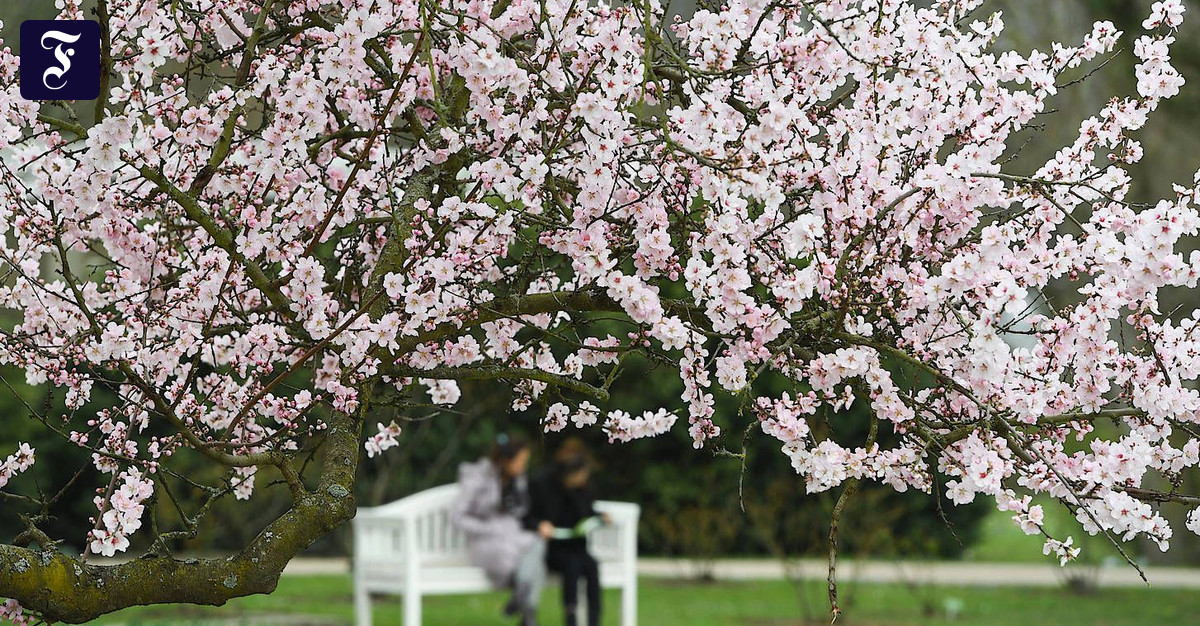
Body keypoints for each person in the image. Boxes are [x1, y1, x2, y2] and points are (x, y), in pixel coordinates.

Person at [451, 433, 546, 626]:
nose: (522, 466)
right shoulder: (478, 478)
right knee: (529, 566)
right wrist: (488, 528)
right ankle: (527, 611)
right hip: (485, 541)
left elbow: (520, 511)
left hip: (512, 536)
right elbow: (457, 516)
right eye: (520, 461)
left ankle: (522, 603)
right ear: (505, 460)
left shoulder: (515, 481)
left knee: (536, 544)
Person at [525, 438, 608, 626]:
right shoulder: (543, 483)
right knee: (573, 563)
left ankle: (594, 620)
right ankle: (571, 616)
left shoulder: (582, 489)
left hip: (577, 548)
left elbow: (586, 514)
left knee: (591, 565)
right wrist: (541, 525)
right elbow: (530, 516)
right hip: (552, 549)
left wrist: (599, 516)